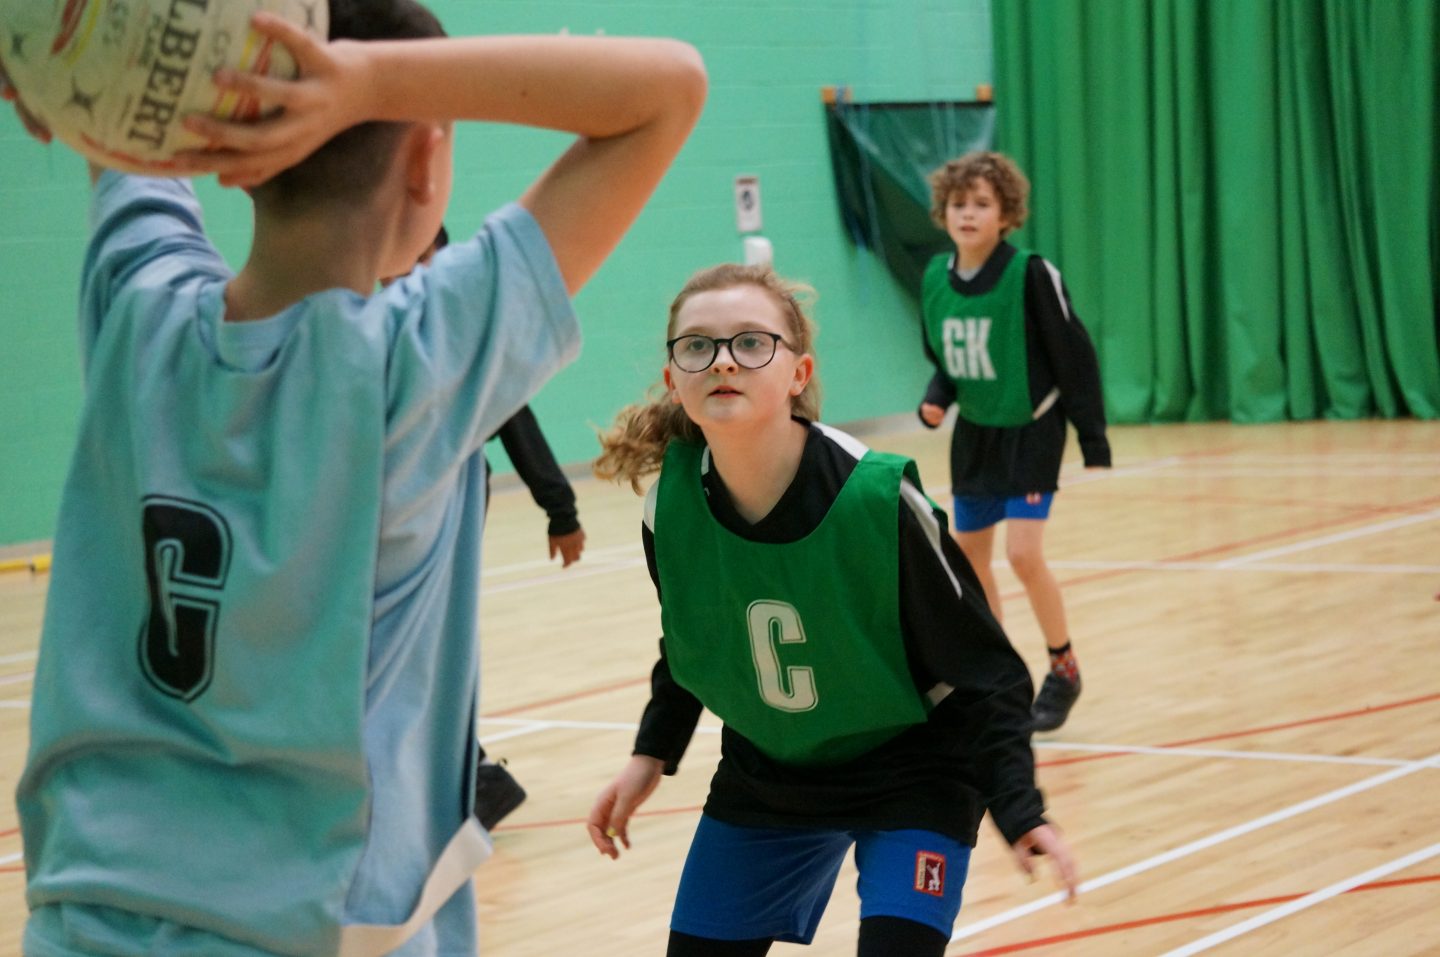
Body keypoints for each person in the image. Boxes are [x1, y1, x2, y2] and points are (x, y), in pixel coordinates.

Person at [7, 3, 705, 955]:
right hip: (298, 934)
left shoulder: (138, 309)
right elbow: (669, 87)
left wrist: (69, 85)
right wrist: (373, 82)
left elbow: (117, 126)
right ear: (427, 161)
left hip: (79, 923)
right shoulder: (406, 367)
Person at [587, 263, 1077, 957]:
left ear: (798, 372)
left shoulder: (875, 499)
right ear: (675, 379)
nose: (723, 359)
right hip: (772, 771)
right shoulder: (668, 506)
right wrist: (650, 755)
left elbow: (985, 669)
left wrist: (1020, 806)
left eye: (751, 342)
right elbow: (694, 642)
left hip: (912, 764)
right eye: (697, 346)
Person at [382, 224, 588, 832]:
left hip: (447, 501)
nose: (413, 268)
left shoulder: (455, 331)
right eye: (402, 254)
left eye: (426, 255)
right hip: (394, 510)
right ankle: (465, 777)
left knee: (429, 645)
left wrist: (562, 511)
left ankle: (473, 781)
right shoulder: (374, 323)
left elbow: (515, 419)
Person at [917, 151, 1111, 733]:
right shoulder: (934, 278)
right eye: (959, 204)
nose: (968, 214)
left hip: (1032, 431)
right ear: (944, 212)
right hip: (976, 434)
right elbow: (948, 358)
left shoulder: (1030, 274)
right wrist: (937, 396)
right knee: (970, 566)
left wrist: (1092, 437)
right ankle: (1000, 680)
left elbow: (1074, 357)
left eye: (982, 204)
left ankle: (1065, 667)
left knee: (1024, 555)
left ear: (1006, 214)